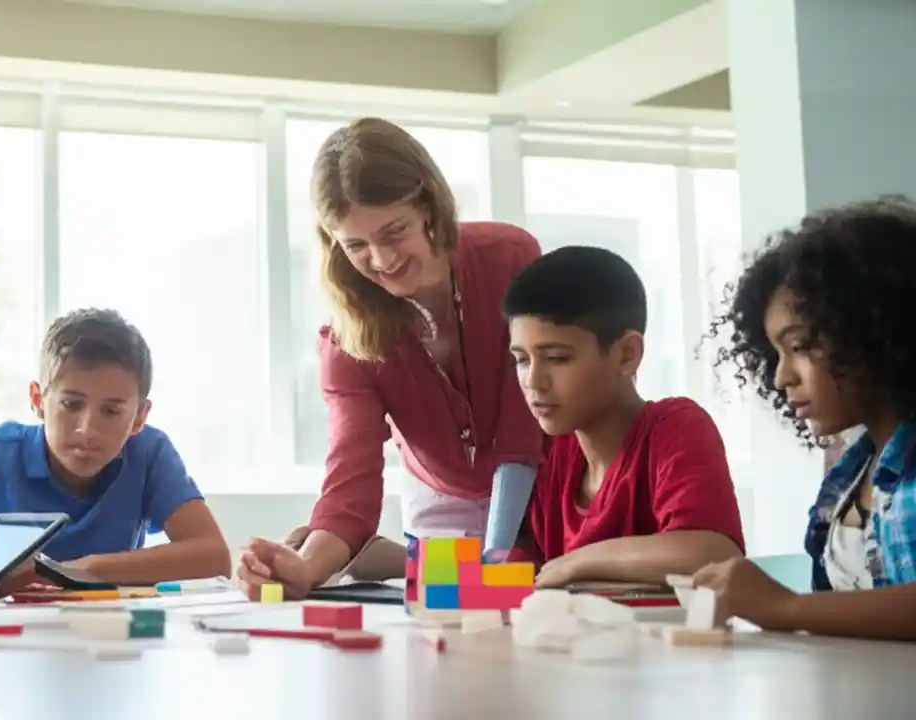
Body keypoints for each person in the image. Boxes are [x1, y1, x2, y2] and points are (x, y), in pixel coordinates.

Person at [236, 117, 544, 600]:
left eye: (394, 231)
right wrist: (306, 569)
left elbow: (521, 428)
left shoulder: (508, 256)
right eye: (356, 245)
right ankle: (384, 558)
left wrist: (496, 557)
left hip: (540, 480)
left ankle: (390, 558)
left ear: (429, 206)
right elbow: (351, 479)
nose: (381, 260)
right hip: (441, 497)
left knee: (529, 588)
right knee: (451, 613)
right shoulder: (345, 339)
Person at [698, 197, 916, 640]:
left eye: (798, 347)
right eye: (776, 354)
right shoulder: (850, 474)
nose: (781, 377)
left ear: (872, 331)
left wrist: (786, 607)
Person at [0, 308, 231, 586]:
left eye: (111, 411)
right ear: (38, 400)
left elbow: (214, 558)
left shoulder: (148, 452)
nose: (87, 429)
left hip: (101, 634)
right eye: (71, 404)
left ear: (140, 417)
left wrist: (75, 571)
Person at [504, 246, 744, 587]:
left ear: (627, 355)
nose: (533, 381)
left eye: (557, 358)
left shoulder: (675, 429)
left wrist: (576, 561)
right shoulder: (549, 455)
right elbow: (511, 575)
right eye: (522, 360)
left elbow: (713, 555)